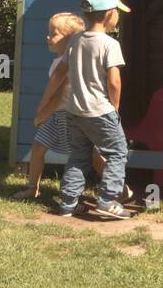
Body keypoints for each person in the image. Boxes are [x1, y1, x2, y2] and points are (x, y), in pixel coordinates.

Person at [57, 0, 131, 221]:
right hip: (100, 111)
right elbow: (114, 81)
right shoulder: (110, 44)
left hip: (74, 112)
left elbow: (63, 69)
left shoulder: (76, 40)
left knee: (78, 156)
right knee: (118, 152)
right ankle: (107, 200)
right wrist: (115, 106)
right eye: (117, 11)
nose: (118, 15)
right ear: (109, 14)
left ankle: (68, 203)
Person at [11, 11, 102, 200]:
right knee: (38, 147)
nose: (48, 37)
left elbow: (61, 96)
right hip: (58, 116)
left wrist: (41, 114)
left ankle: (118, 187)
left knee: (92, 157)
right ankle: (32, 187)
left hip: (72, 117)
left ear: (71, 39)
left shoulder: (68, 64)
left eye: (54, 33)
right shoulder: (58, 62)